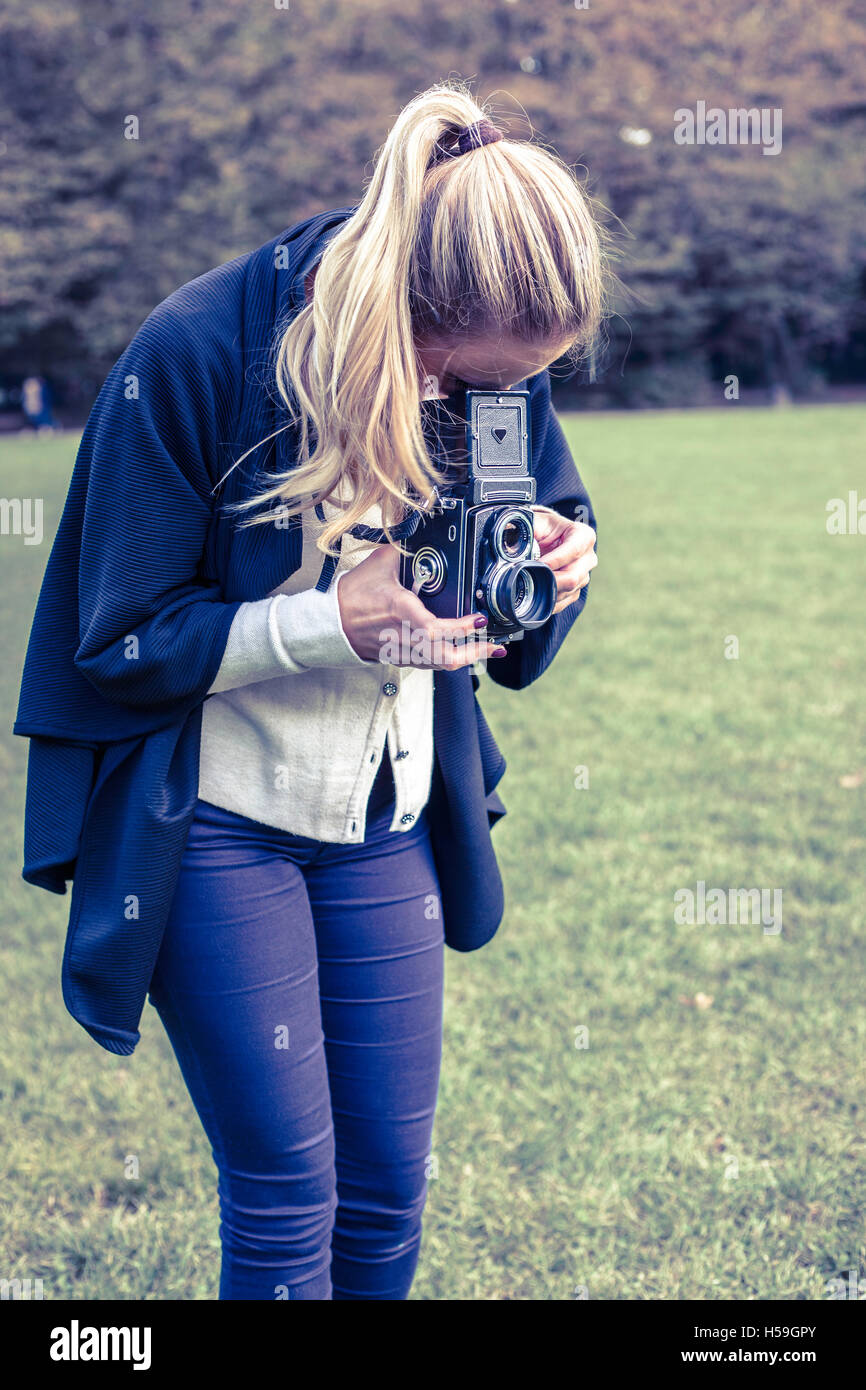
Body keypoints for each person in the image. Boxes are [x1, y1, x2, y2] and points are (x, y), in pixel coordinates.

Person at [13, 81, 604, 1300]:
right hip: (217, 821)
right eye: (469, 379)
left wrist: (555, 567)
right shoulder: (198, 352)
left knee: (388, 1186)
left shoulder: (493, 368)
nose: (484, 406)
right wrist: (326, 623)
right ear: (411, 309)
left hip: (385, 821)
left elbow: (531, 557)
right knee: (289, 1194)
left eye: (518, 385)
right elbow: (115, 639)